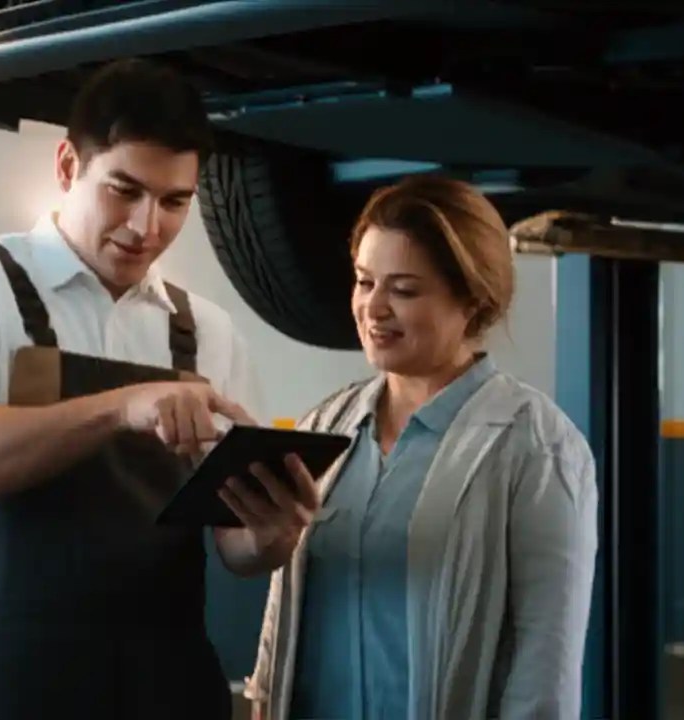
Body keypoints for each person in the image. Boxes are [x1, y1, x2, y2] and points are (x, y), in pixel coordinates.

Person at [0, 57, 317, 720]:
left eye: (175, 201)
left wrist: (273, 534)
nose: (148, 226)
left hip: (166, 675)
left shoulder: (207, 332)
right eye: (125, 189)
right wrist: (123, 407)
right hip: (8, 672)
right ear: (68, 167)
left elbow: (236, 549)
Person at [243, 175, 599, 720]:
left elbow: (545, 664)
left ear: (473, 302)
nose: (373, 308)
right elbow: (285, 607)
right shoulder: (326, 426)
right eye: (365, 282)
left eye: (404, 290)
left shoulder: (538, 447)